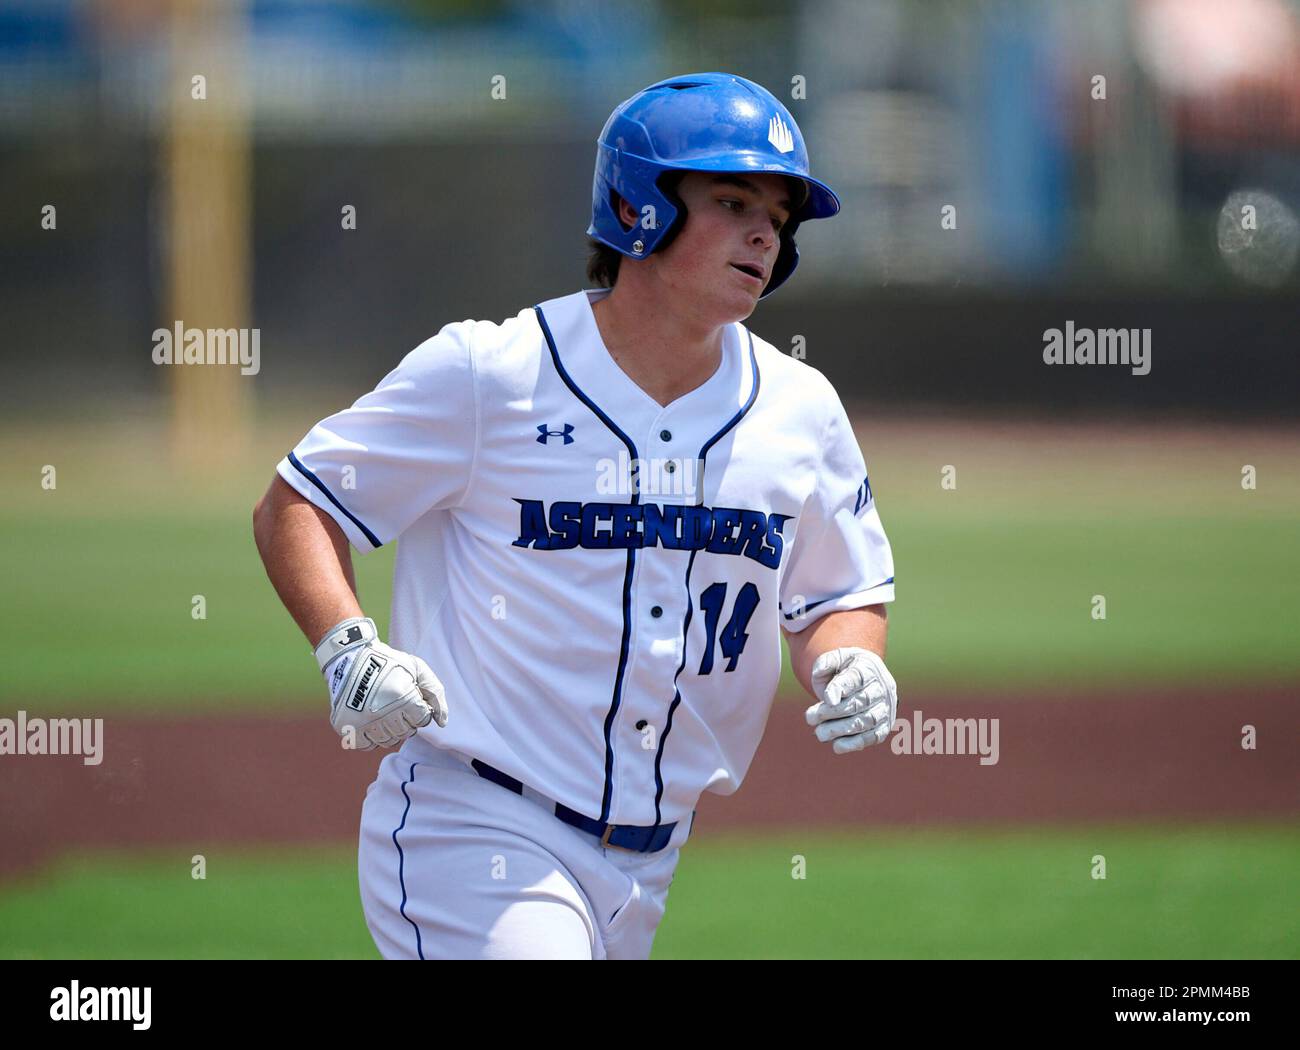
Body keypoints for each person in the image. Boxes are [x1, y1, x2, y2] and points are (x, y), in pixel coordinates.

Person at [252, 72, 898, 960]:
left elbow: (836, 594)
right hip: (473, 828)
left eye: (779, 216)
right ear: (643, 206)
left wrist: (851, 662)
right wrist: (347, 649)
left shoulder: (800, 410)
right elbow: (301, 500)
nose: (763, 230)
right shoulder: (493, 373)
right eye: (732, 199)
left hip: (652, 856)